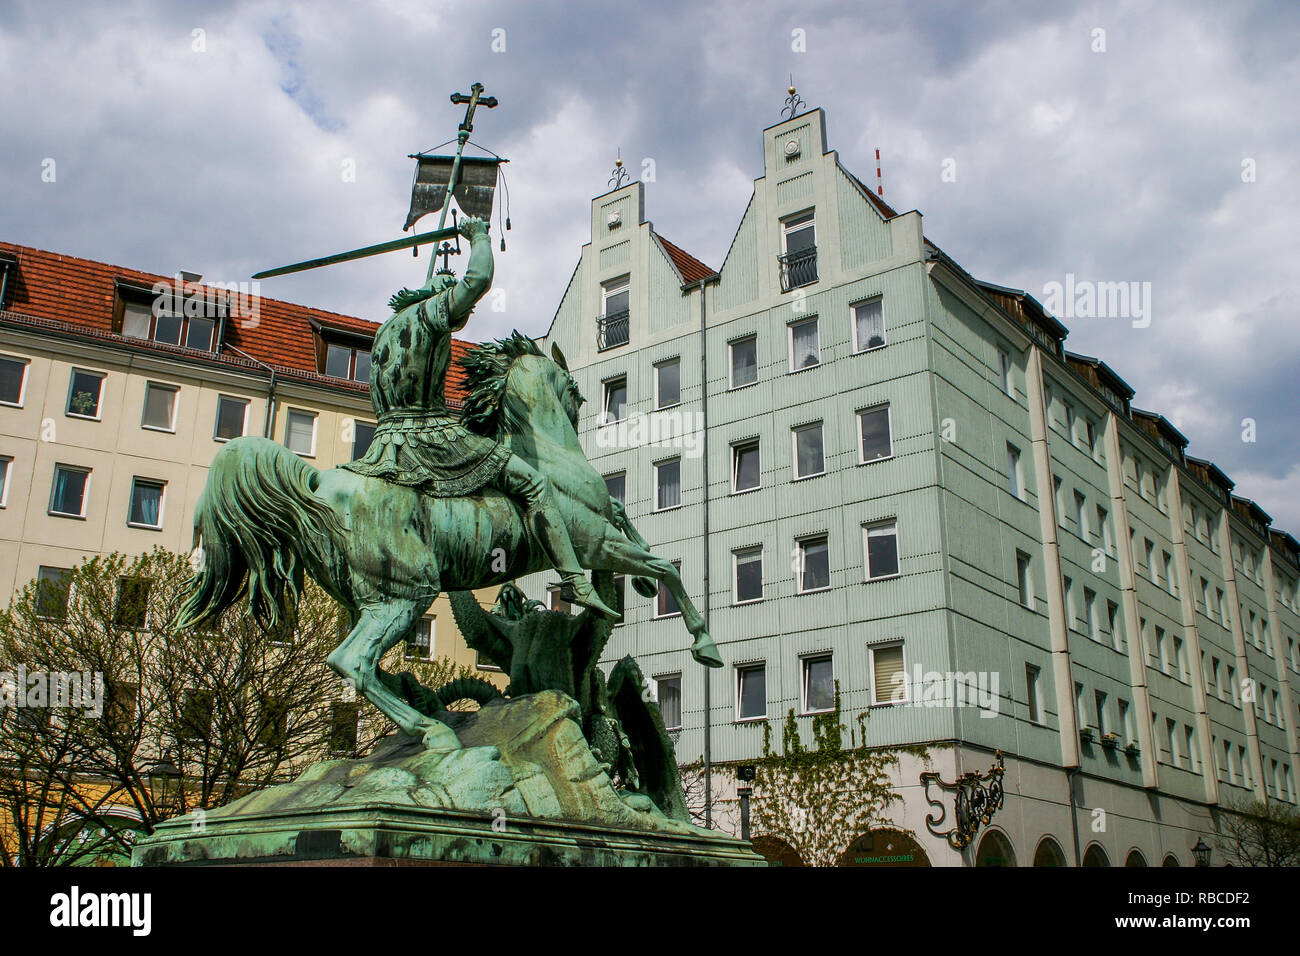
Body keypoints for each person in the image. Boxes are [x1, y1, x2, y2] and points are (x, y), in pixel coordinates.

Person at [341, 215, 617, 618]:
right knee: (534, 483)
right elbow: (478, 279)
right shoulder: (426, 315)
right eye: (455, 311)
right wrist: (480, 237)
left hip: (385, 443)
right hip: (426, 436)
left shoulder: (386, 329)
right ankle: (575, 581)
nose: (460, 318)